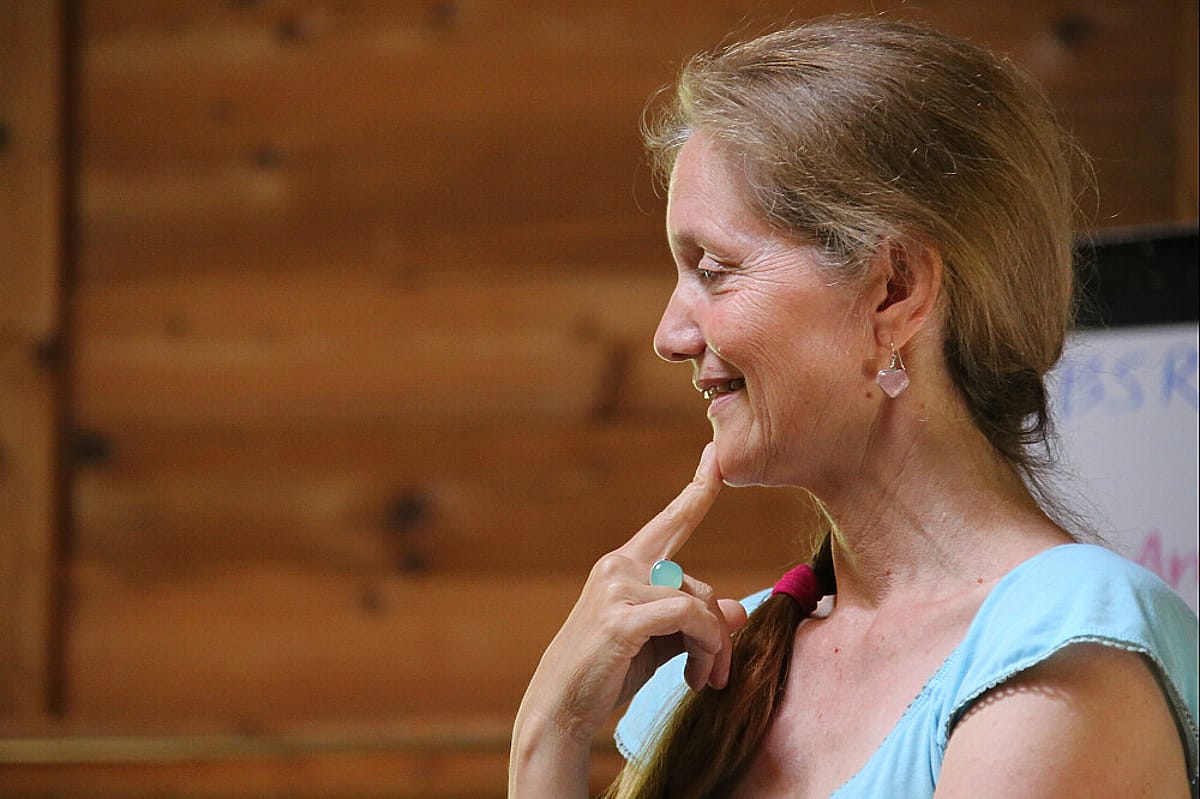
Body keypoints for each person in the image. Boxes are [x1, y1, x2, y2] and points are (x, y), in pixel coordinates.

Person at [508, 15, 1199, 798]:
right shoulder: (733, 655)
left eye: (714, 269)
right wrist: (549, 734)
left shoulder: (1060, 656)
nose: (669, 335)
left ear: (894, 292)